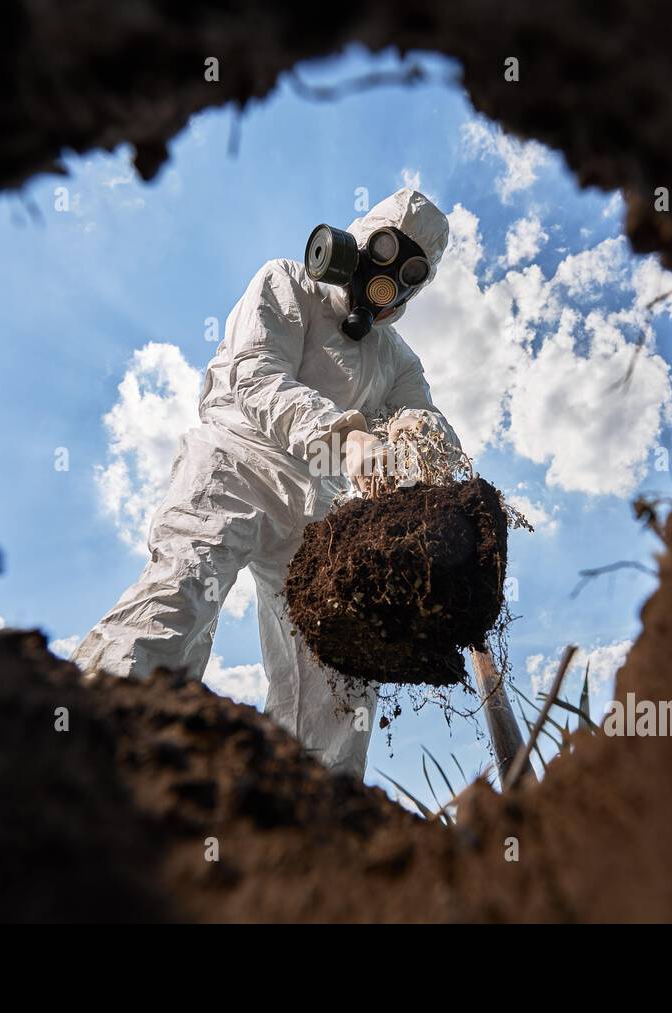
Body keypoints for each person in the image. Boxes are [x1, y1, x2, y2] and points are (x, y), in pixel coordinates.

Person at [71, 188, 461, 778]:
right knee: (185, 592)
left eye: (410, 272)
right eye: (385, 252)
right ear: (355, 243)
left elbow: (423, 425)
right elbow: (256, 376)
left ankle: (314, 813)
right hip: (232, 463)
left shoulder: (395, 360)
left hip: (316, 508)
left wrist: (426, 458)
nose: (388, 279)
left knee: (336, 666)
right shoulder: (285, 283)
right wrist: (344, 435)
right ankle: (98, 749)